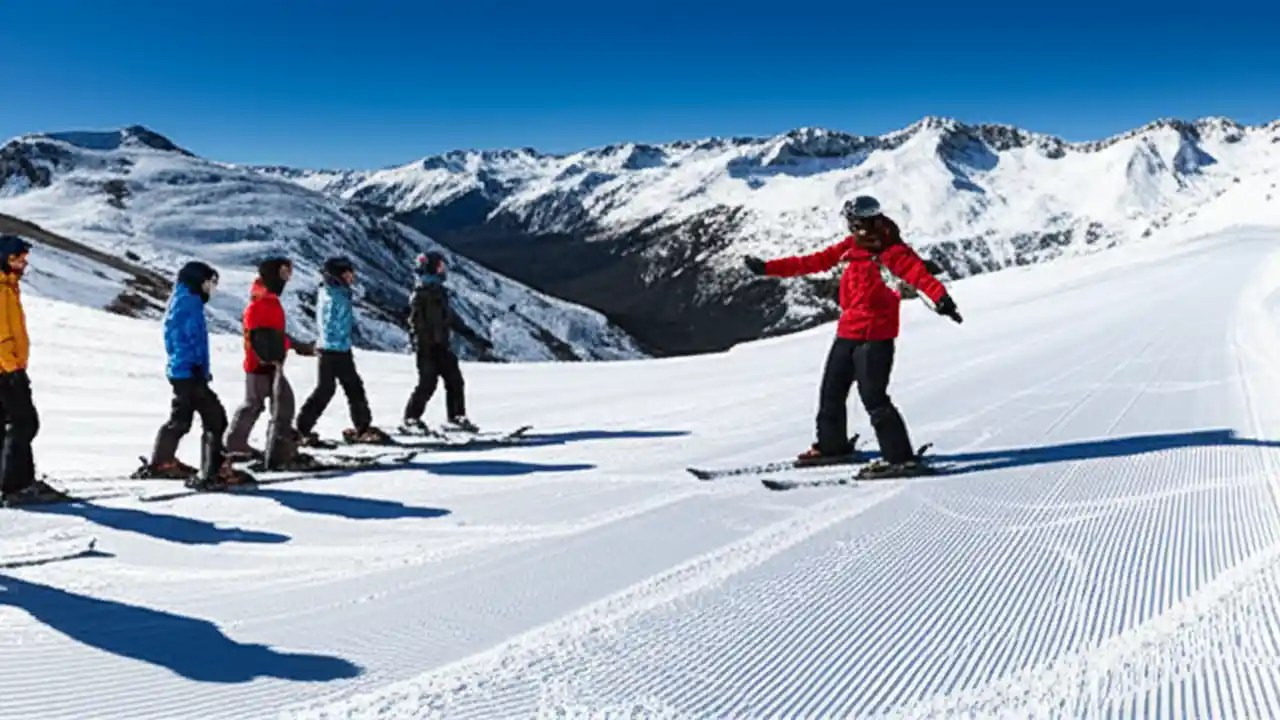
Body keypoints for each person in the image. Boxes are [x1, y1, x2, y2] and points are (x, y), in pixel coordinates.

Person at [743, 195, 962, 477]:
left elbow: (918, 275)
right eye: (850, 223)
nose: (851, 228)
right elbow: (813, 262)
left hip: (876, 336)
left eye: (855, 223)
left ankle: (901, 458)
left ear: (868, 222)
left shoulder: (892, 251)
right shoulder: (852, 246)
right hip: (847, 331)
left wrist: (942, 299)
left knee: (874, 398)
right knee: (831, 392)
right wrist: (768, 268)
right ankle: (832, 446)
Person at [135, 261, 251, 488]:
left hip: (181, 372)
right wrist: (195, 366)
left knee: (180, 419)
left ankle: (162, 462)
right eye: (209, 283)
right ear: (197, 281)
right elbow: (185, 340)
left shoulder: (184, 301)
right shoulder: (188, 305)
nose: (211, 289)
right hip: (189, 373)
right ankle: (212, 472)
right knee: (215, 418)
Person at [225, 257, 318, 470]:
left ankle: (238, 445)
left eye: (289, 273)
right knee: (277, 406)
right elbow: (259, 336)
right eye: (284, 273)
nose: (287, 278)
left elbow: (274, 334)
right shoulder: (261, 302)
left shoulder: (268, 299)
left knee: (261, 404)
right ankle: (278, 453)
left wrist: (294, 345)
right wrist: (272, 355)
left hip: (267, 364)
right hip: (262, 365)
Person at [296, 257, 388, 445]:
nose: (351, 278)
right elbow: (330, 324)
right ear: (336, 276)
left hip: (334, 348)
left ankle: (303, 428)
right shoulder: (334, 296)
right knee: (340, 388)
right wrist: (336, 342)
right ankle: (304, 428)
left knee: (338, 388)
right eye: (347, 275)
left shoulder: (333, 292)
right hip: (334, 350)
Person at [0, 236, 62, 505]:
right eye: (18, 259)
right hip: (6, 369)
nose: (23, 263)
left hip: (7, 367)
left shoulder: (8, 285)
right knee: (24, 422)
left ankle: (11, 482)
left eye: (24, 258)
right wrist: (12, 368)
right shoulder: (1, 288)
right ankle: (17, 486)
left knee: (8, 424)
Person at [401, 251, 476, 434]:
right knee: (428, 383)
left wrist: (470, 334)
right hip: (428, 347)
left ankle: (456, 417)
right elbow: (415, 322)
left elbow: (449, 318)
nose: (443, 270)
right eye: (440, 266)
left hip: (440, 345)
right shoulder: (421, 294)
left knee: (454, 380)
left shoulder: (438, 292)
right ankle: (411, 419)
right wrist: (422, 343)